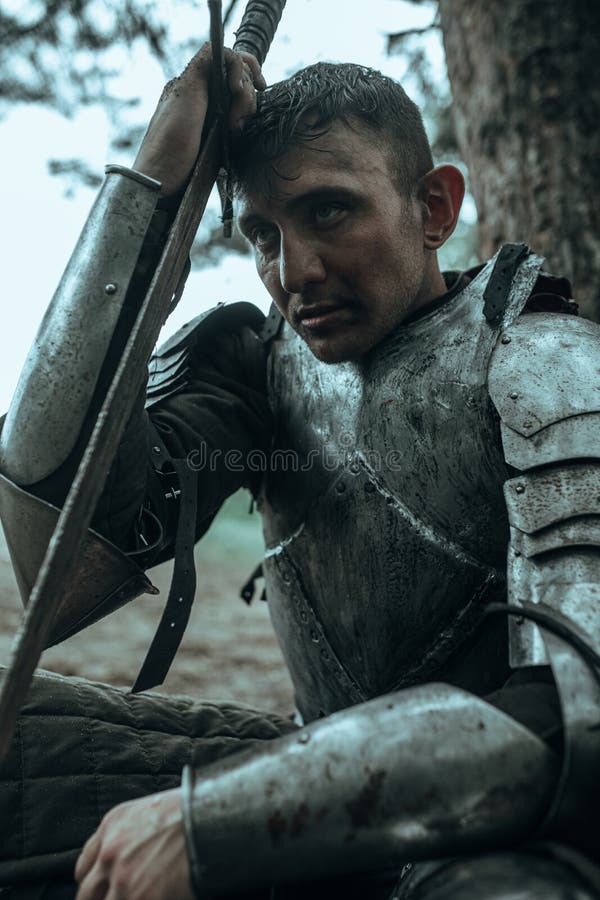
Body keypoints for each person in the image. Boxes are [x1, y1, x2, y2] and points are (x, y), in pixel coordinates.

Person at [0, 41, 599, 900]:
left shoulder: (546, 365)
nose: (296, 273)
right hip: (306, 768)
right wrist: (153, 185)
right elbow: (58, 556)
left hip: (495, 822)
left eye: (330, 212)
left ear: (433, 207)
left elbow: (581, 714)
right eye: (263, 235)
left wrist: (211, 823)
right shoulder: (262, 371)